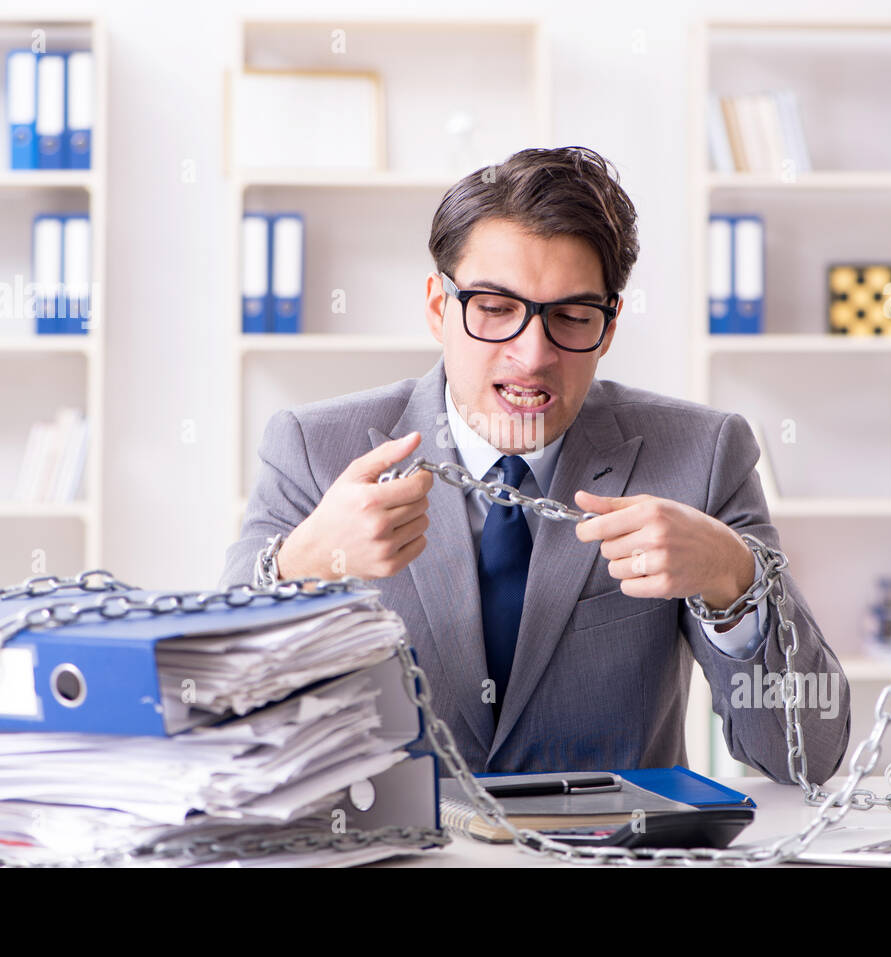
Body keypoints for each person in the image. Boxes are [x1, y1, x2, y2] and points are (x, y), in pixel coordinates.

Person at [220, 146, 850, 783]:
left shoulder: (703, 454)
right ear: (440, 308)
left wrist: (733, 578)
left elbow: (808, 757)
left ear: (607, 329)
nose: (532, 354)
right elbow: (216, 708)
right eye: (495, 309)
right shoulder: (314, 447)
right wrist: (298, 565)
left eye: (572, 318)